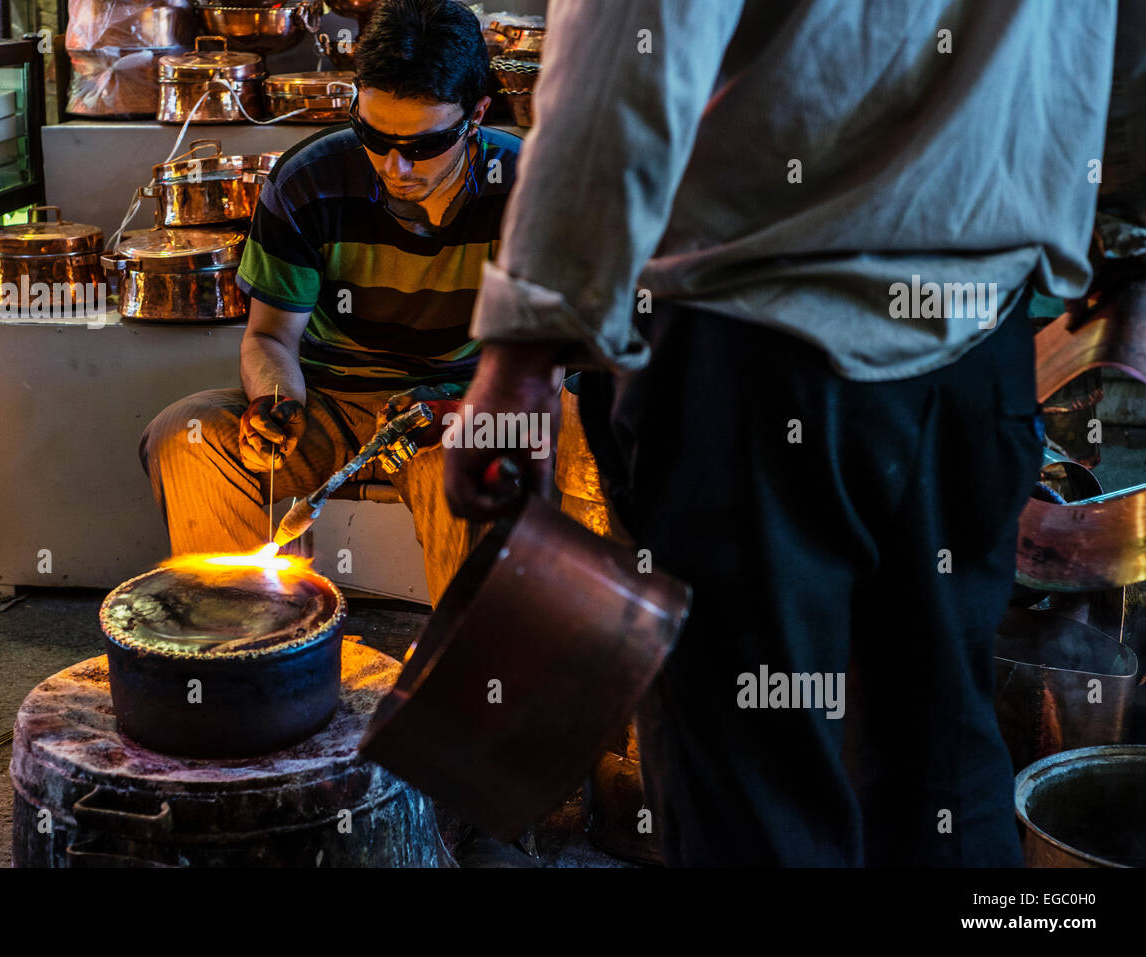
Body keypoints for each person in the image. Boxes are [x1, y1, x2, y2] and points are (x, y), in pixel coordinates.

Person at [446, 0, 1138, 865]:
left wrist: (524, 349)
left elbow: (628, 52)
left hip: (752, 354)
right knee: (941, 768)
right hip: (977, 348)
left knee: (753, 795)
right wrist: (1126, 234)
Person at [140, 0, 519, 603]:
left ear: (475, 114)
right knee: (185, 438)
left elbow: (557, 356)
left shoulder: (524, 187)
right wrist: (276, 401)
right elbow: (269, 338)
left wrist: (466, 410)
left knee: (469, 464)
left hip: (454, 411)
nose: (395, 167)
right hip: (333, 401)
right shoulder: (309, 178)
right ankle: (244, 646)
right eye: (373, 135)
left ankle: (464, 673)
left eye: (424, 145)